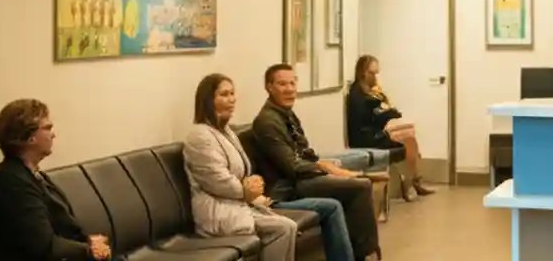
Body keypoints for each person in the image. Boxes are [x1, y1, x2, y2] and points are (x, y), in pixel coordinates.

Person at [183, 73, 355, 261]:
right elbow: (217, 181)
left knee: (287, 225)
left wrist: (252, 186)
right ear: (208, 100)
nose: (231, 100)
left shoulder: (226, 132)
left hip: (239, 204)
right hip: (217, 213)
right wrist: (247, 191)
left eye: (232, 94)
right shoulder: (200, 136)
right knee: (283, 228)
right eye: (224, 95)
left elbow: (243, 173)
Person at [250, 64, 383, 261]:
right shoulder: (267, 121)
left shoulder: (286, 114)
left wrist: (326, 165)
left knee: (349, 176)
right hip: (287, 188)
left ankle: (360, 251)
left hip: (302, 179)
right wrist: (323, 168)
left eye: (293, 83)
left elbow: (305, 151)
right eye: (282, 84)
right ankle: (364, 253)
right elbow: (292, 166)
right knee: (359, 186)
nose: (289, 89)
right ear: (269, 87)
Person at [0, 99, 113, 261]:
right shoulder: (11, 185)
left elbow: (58, 225)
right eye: (47, 128)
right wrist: (88, 250)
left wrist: (87, 241)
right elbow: (44, 246)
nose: (53, 134)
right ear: (29, 138)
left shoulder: (29, 175)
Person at [346, 55, 436, 201]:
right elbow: (368, 119)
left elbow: (376, 115)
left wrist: (386, 111)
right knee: (409, 140)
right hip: (367, 138)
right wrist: (386, 114)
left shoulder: (369, 92)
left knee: (410, 135)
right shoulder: (358, 94)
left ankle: (413, 181)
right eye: (372, 73)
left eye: (376, 74)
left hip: (374, 133)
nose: (375, 77)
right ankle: (411, 183)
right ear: (363, 72)